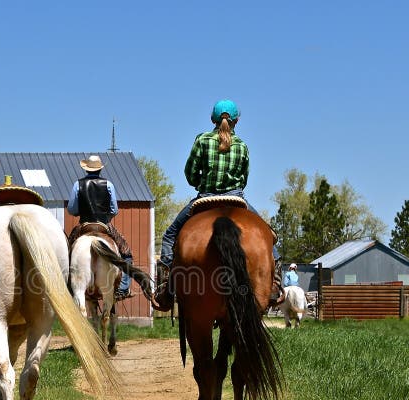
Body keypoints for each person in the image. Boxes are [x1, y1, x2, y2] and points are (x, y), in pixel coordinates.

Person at [154, 99, 281, 309]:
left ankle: (167, 285)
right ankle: (275, 282)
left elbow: (191, 174)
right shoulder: (242, 145)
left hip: (205, 198)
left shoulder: (202, 140)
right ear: (236, 121)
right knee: (269, 237)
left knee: (170, 235)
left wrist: (200, 182)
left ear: (212, 119)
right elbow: (244, 178)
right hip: (236, 199)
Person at [67, 154, 134, 300]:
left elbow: (72, 209)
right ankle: (123, 288)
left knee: (67, 252)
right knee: (127, 254)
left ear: (86, 169)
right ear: (100, 169)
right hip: (104, 225)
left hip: (83, 224)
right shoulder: (108, 184)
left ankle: (66, 286)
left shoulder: (77, 184)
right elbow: (114, 210)